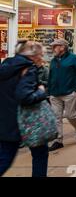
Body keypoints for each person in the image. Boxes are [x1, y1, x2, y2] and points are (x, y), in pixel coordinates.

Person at [0, 41, 49, 177]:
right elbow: (25, 96)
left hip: (5, 120)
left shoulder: (6, 65)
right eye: (40, 54)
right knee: (40, 153)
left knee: (4, 157)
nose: (42, 57)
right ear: (32, 56)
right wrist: (41, 91)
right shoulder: (28, 69)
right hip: (25, 121)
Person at [48, 39, 76, 152]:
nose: (53, 49)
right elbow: (51, 75)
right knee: (56, 117)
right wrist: (49, 90)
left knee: (70, 115)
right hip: (54, 93)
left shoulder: (74, 58)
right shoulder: (53, 60)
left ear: (62, 47)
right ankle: (58, 141)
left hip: (69, 92)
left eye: (55, 46)